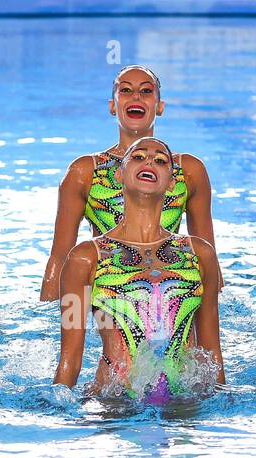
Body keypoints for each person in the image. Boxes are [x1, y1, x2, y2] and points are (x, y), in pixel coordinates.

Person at [53, 137, 224, 402]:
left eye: (160, 160)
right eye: (138, 157)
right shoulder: (84, 258)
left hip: (185, 403)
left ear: (172, 183)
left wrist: (223, 405)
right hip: (114, 402)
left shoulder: (199, 254)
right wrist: (55, 408)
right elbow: (70, 359)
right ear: (119, 175)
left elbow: (212, 353)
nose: (149, 161)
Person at [39, 65, 215, 301]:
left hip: (168, 289)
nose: (136, 97)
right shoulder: (85, 172)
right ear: (112, 106)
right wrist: (50, 312)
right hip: (107, 295)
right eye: (125, 90)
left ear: (160, 106)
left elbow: (206, 256)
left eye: (146, 91)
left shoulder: (187, 171)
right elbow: (60, 256)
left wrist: (216, 305)